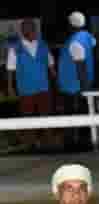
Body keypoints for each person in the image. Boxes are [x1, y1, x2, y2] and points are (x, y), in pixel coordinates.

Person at [6, 19, 55, 148]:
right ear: (22, 31)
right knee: (27, 117)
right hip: (26, 88)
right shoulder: (15, 47)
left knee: (46, 115)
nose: (30, 29)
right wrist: (10, 87)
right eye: (27, 27)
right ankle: (29, 143)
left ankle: (48, 142)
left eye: (32, 27)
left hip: (43, 87)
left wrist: (54, 77)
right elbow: (10, 69)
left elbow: (50, 63)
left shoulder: (43, 44)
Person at [58, 11, 96, 148]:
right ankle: (80, 141)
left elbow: (80, 67)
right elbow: (93, 43)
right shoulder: (86, 36)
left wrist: (84, 88)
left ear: (72, 26)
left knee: (73, 115)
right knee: (81, 113)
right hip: (81, 84)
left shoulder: (74, 42)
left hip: (74, 86)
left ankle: (75, 144)